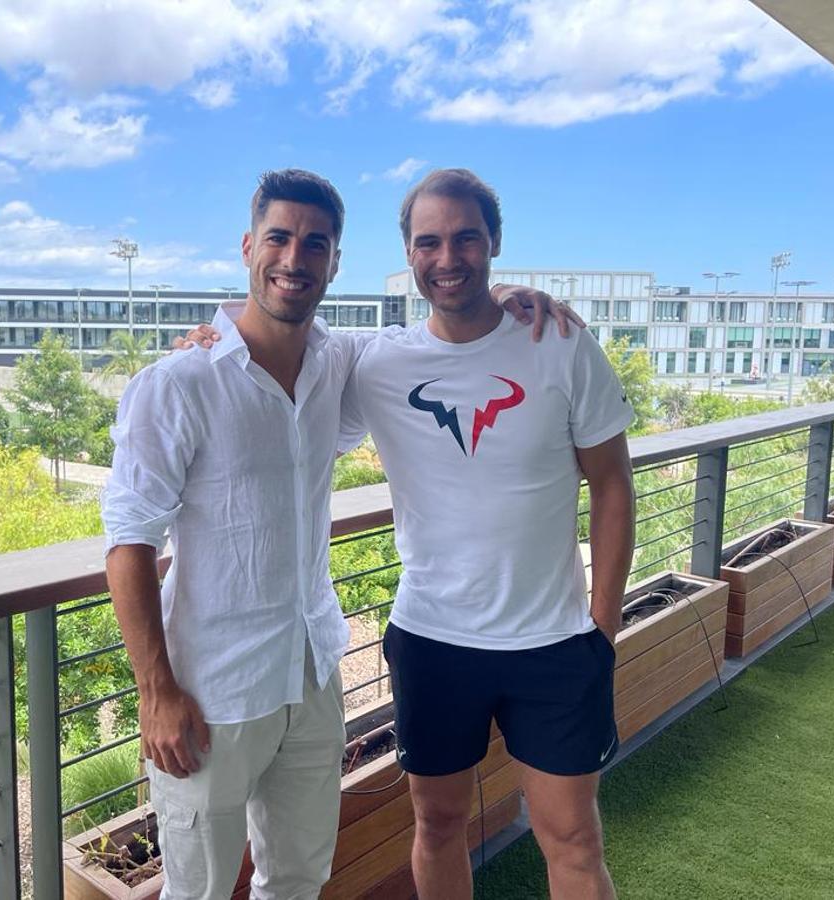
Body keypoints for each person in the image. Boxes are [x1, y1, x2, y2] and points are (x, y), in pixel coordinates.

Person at [102, 168, 577, 900]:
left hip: (311, 674)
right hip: (210, 693)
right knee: (195, 891)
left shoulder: (339, 365)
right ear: (248, 247)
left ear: (334, 262)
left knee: (296, 879)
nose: (295, 259)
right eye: (280, 238)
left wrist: (507, 296)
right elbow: (129, 539)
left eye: (314, 243)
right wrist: (156, 690)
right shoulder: (180, 383)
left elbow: (443, 330)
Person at [339, 168, 635, 900]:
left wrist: (602, 623)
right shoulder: (377, 364)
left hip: (555, 643)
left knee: (572, 838)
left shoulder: (560, 342)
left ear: (494, 242)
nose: (449, 258)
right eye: (429, 242)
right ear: (407, 255)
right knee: (437, 826)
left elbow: (613, 485)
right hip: (434, 639)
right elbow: (274, 345)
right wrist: (212, 331)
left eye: (466, 237)